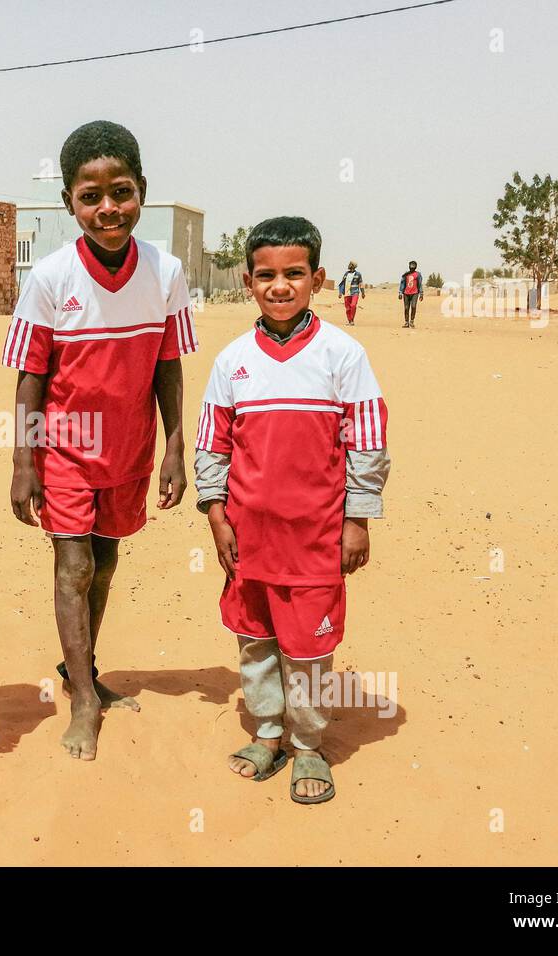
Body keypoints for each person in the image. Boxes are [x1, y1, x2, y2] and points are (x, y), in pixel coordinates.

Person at [2, 120, 197, 761]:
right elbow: (32, 378)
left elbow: (168, 366)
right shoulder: (51, 278)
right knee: (74, 566)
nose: (107, 209)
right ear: (69, 204)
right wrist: (22, 462)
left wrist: (173, 447)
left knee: (106, 564)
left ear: (142, 190)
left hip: (129, 451)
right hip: (64, 449)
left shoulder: (166, 273)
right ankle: (84, 700)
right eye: (91, 197)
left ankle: (77, 669)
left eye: (121, 192)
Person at [194, 216, 390, 804]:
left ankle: (307, 744)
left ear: (318, 278)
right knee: (254, 643)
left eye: (294, 274)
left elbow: (369, 441)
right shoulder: (232, 362)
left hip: (315, 541)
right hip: (248, 542)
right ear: (249, 281)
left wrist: (356, 519)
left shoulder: (343, 354)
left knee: (307, 649)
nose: (280, 287)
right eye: (266, 276)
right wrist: (216, 514)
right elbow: (212, 444)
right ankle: (269, 733)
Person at [337, 260, 364, 325]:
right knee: (348, 308)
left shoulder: (358, 274)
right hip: (347, 293)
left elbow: (361, 284)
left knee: (353, 305)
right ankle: (350, 321)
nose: (349, 265)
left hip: (355, 292)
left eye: (351, 264)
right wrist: (340, 292)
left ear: (353, 266)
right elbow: (342, 283)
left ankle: (352, 320)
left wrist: (363, 292)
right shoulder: (346, 274)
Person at [399, 260, 424, 327]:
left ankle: (412, 321)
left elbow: (420, 284)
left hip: (414, 293)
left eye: (413, 266)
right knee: (406, 308)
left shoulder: (418, 274)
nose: (412, 267)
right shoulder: (406, 274)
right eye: (411, 266)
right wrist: (400, 293)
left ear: (415, 267)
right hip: (406, 293)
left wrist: (421, 293)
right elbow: (402, 284)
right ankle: (406, 322)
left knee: (413, 307)